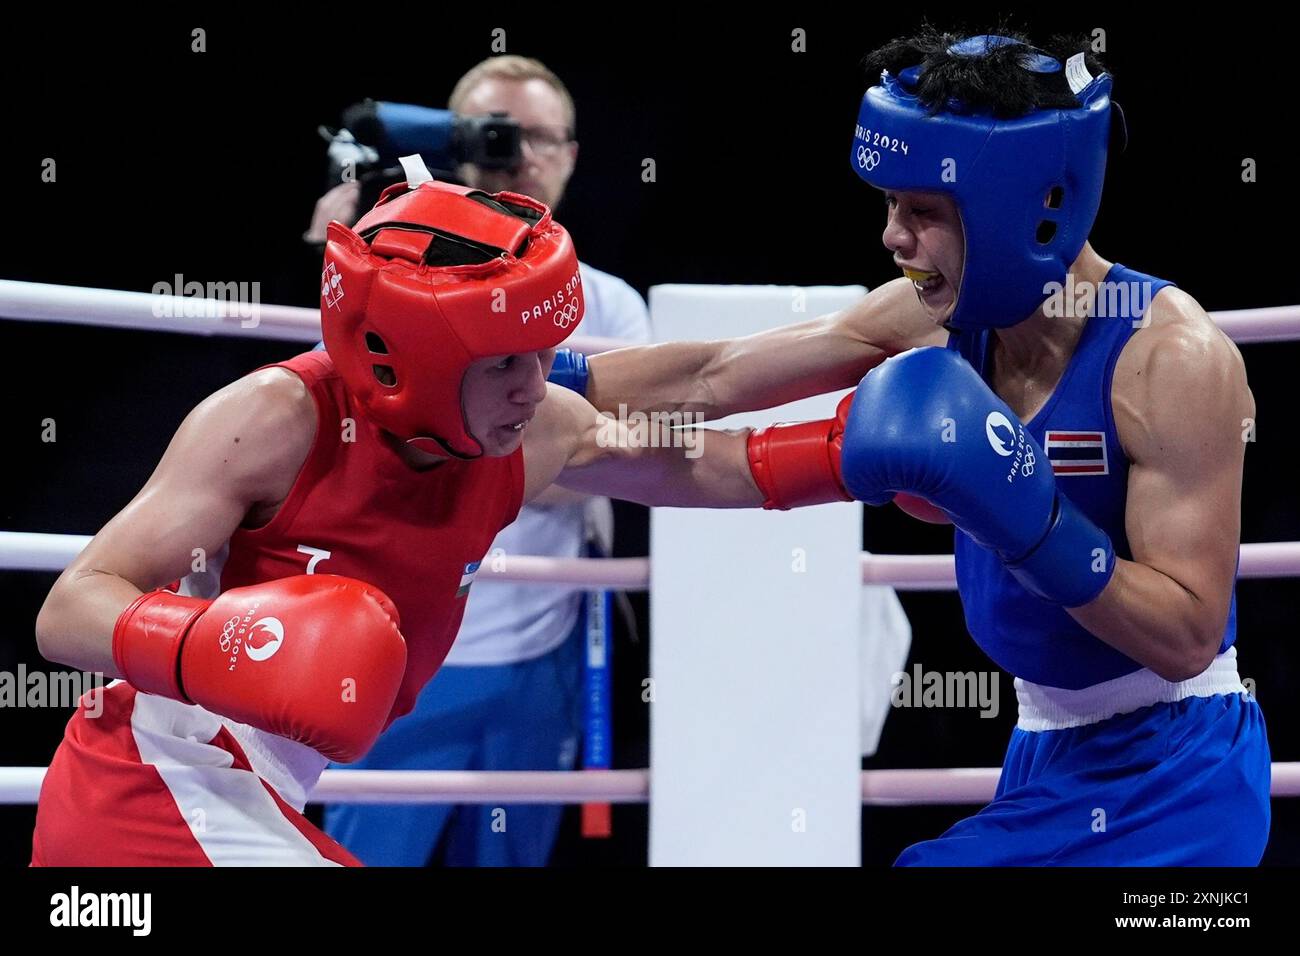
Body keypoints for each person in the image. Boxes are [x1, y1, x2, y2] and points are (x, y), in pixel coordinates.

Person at [577, 30, 1270, 864]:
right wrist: (526, 373)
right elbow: (714, 378)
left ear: (1022, 206)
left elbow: (1189, 634)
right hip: (1046, 747)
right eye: (891, 206)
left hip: (1176, 766)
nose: (893, 239)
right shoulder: (942, 315)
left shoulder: (1171, 361)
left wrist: (1033, 524)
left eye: (923, 212)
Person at [31, 169, 793, 866]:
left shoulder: (525, 426)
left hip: (255, 795)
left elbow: (702, 428)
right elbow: (67, 609)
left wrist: (848, 447)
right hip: (154, 779)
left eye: (540, 355)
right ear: (421, 358)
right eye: (504, 362)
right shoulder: (271, 418)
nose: (533, 386)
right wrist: (227, 647)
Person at [312, 56, 651, 867]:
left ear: (572, 153)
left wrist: (458, 457)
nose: (517, 154)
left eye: (539, 137)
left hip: (544, 653)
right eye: (496, 133)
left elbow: (629, 454)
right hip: (395, 647)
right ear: (455, 144)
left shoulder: (605, 305)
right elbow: (349, 443)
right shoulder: (380, 277)